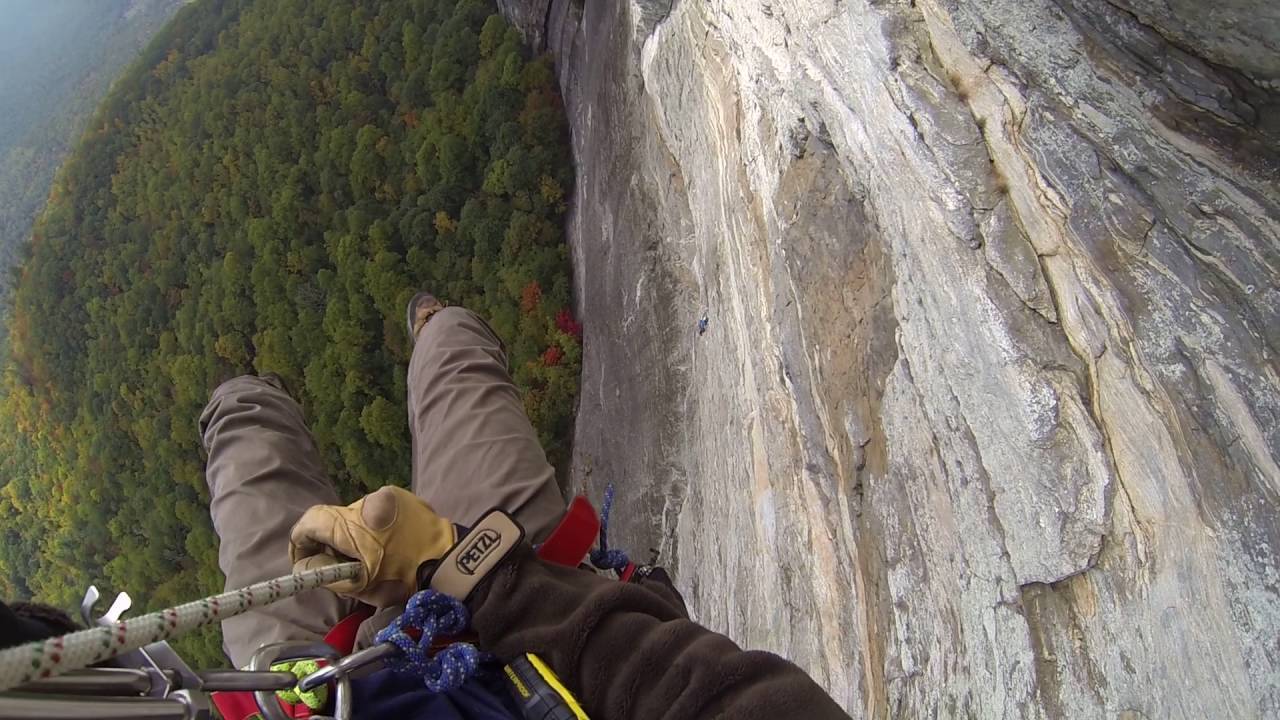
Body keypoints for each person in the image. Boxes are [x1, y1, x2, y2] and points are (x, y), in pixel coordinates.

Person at [8, 294, 849, 719]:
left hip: (284, 690)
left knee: (243, 440)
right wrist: (476, 573)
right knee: (452, 363)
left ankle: (248, 396)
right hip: (520, 637)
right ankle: (430, 325)